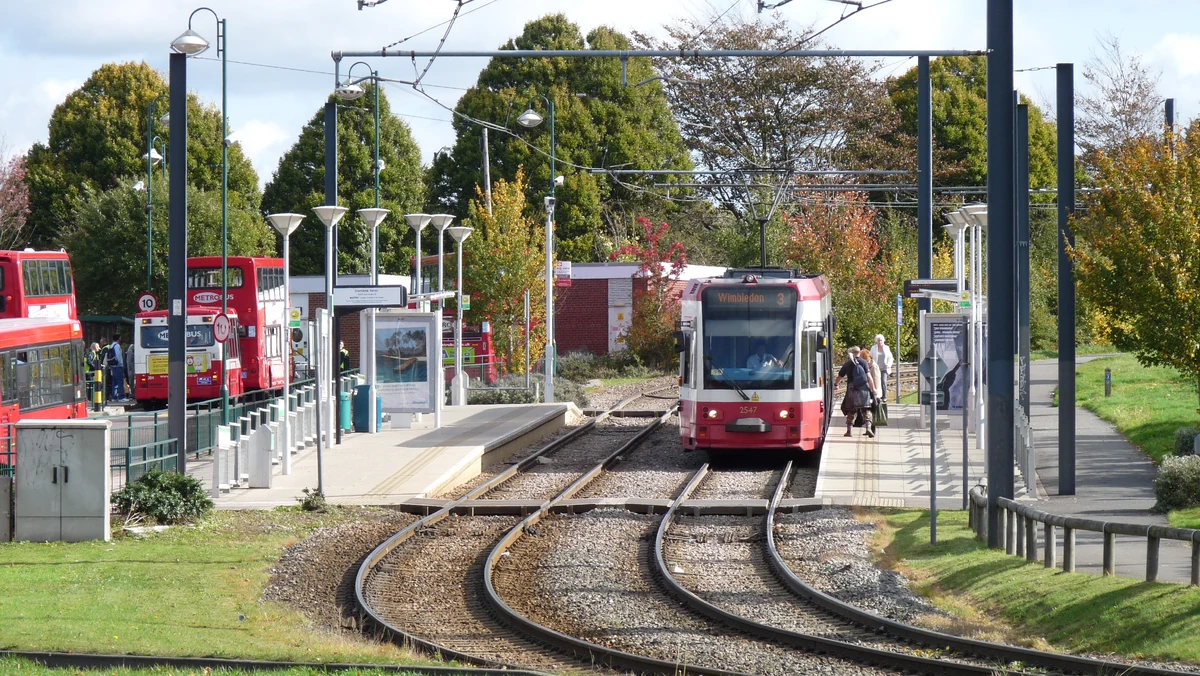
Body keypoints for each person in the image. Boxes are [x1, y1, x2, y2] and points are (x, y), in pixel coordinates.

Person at [833, 346, 875, 438]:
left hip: (852, 389)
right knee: (866, 409)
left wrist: (836, 385)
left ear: (851, 353)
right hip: (864, 389)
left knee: (851, 411)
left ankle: (849, 431)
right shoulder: (863, 362)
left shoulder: (847, 364)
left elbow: (840, 377)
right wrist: (873, 389)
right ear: (859, 353)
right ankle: (868, 428)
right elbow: (869, 377)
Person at [870, 334, 895, 401]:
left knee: (883, 381)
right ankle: (876, 396)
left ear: (883, 340)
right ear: (876, 341)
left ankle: (884, 397)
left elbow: (890, 358)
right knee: (875, 382)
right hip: (876, 368)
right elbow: (870, 357)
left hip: (884, 368)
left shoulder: (886, 348)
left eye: (881, 340)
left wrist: (889, 365)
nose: (880, 342)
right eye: (878, 340)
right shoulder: (873, 348)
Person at [106, 334, 128, 402]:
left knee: (114, 382)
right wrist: (121, 364)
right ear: (119, 338)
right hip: (118, 365)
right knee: (120, 381)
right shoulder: (117, 346)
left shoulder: (111, 345)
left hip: (112, 365)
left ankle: (114, 397)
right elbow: (118, 356)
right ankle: (121, 397)